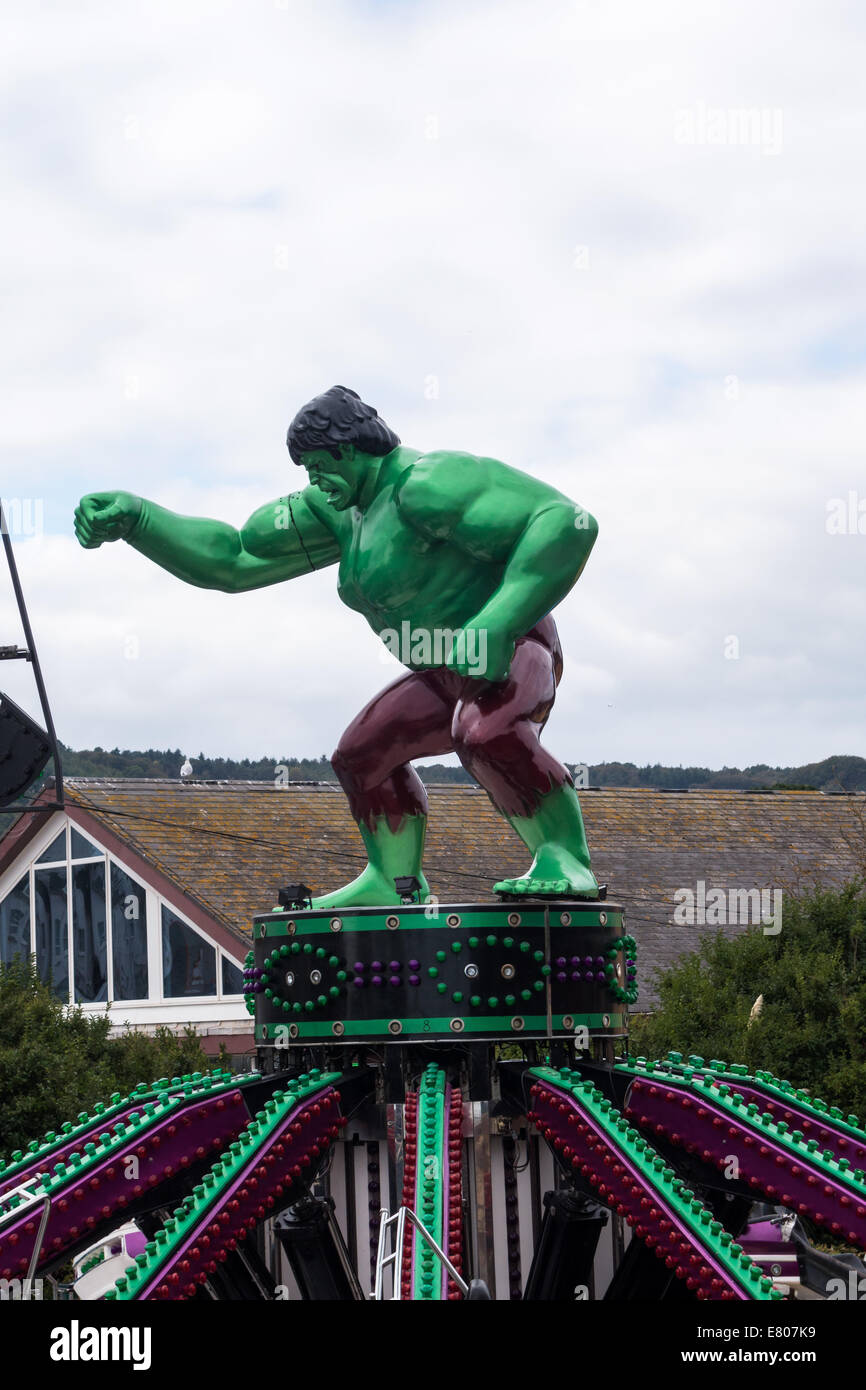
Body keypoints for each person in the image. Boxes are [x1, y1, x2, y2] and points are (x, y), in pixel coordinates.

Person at [75, 386, 600, 907]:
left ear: (350, 450)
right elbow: (232, 558)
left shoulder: (428, 484)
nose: (314, 482)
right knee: (361, 755)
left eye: (319, 466)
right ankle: (396, 884)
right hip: (443, 671)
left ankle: (565, 857)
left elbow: (564, 522)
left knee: (485, 732)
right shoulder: (334, 511)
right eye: (306, 472)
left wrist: (496, 621)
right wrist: (139, 520)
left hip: (515, 649)